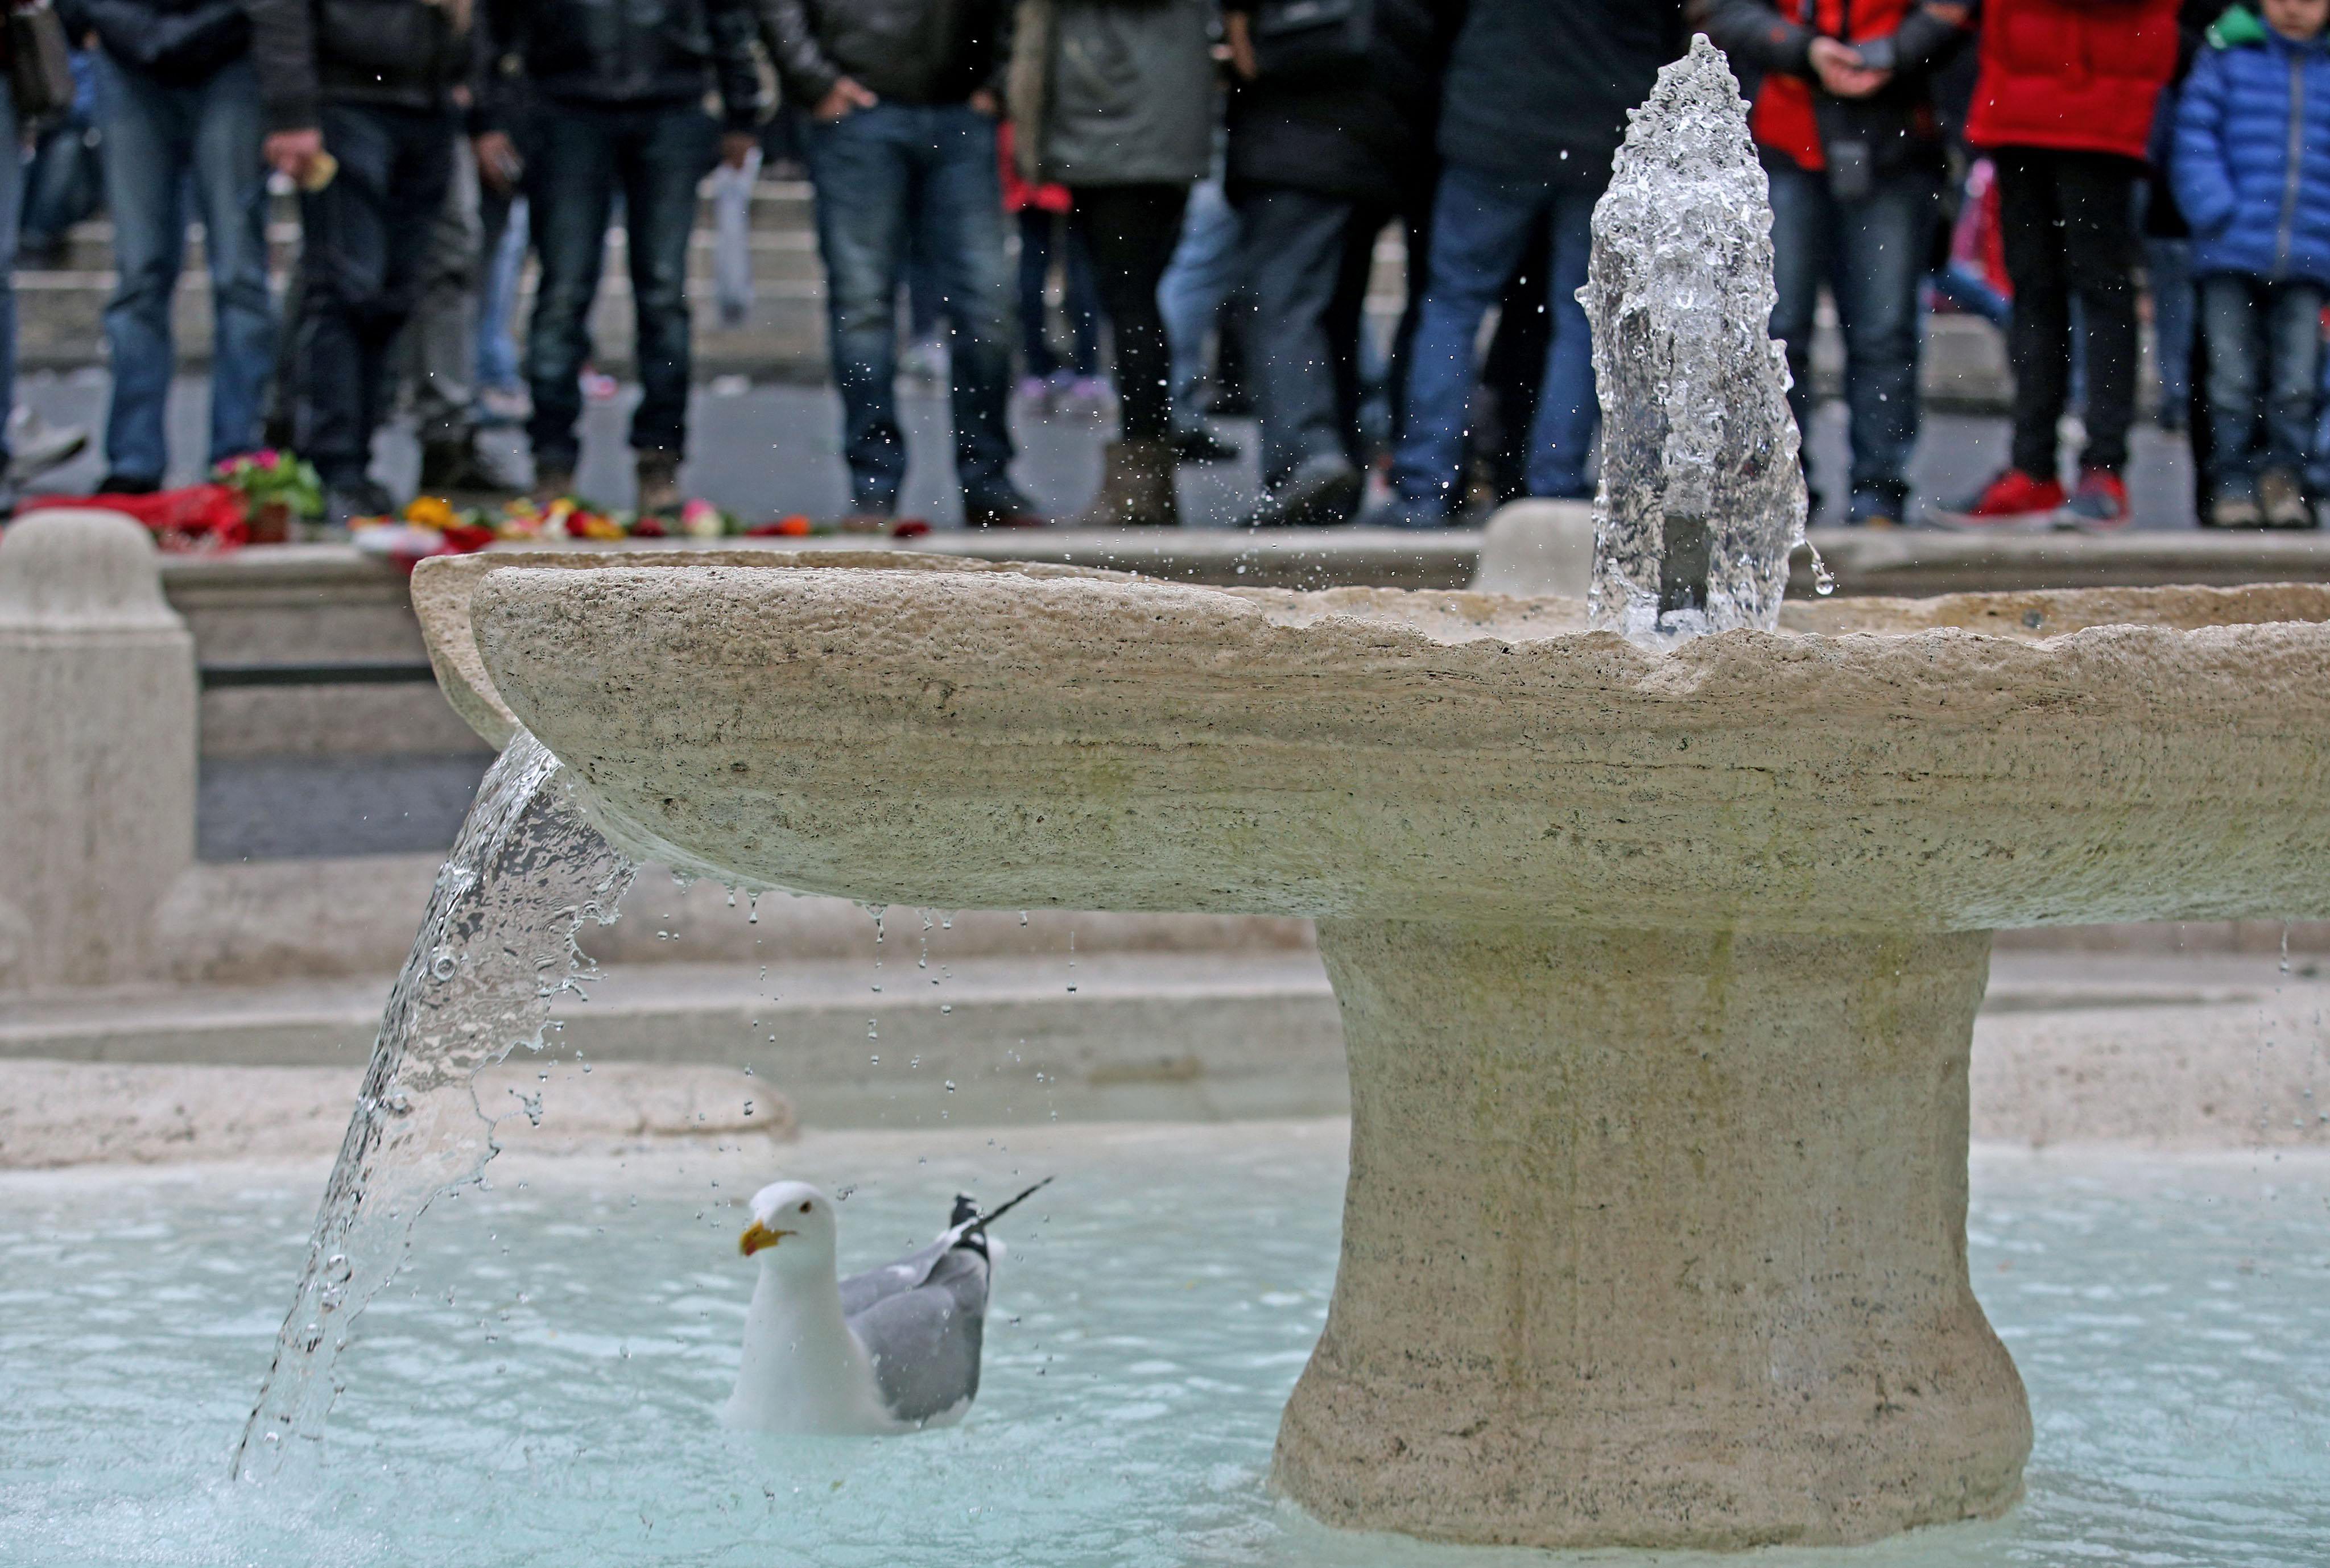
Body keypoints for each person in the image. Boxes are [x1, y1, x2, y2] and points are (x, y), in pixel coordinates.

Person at [1367, 1, 1688, 527]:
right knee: (1581, 317)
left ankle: (1424, 486)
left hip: (1495, 118)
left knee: (1453, 304)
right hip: (1603, 125)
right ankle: (1554, 490)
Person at [760, 0, 1039, 529]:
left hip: (960, 108)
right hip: (861, 108)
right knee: (863, 305)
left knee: (987, 305)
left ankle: (987, 478)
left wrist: (1001, 84)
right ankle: (874, 483)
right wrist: (814, 81)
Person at [476, 0, 759, 514]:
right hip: (566, 102)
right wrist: (491, 115)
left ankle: (658, 457)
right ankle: (554, 459)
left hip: (667, 102)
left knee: (658, 296)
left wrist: (741, 108)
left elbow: (729, 18)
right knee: (568, 292)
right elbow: (494, 27)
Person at [1703, 2, 1972, 529]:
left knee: (1884, 330)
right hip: (1785, 139)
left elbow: (1955, 15)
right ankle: (1773, 481)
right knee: (1777, 329)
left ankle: (1879, 488)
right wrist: (1801, 50)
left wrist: (1893, 54)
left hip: (1893, 140)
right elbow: (1720, 11)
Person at [1934, 0, 2181, 530]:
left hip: (2101, 106)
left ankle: (2103, 470)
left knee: (2102, 290)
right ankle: (2033, 467)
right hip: (2017, 104)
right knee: (2033, 290)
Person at [1222, 0, 1452, 528]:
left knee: (1281, 304)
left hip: (1301, 135)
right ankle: (1332, 475)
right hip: (1385, 134)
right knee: (1333, 313)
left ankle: (1307, 457)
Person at [249, 0, 473, 524]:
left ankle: (353, 462)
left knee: (392, 297)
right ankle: (334, 466)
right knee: (347, 290)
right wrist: (293, 111)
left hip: (426, 102)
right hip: (347, 98)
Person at [1013, 0, 1213, 526]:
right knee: (1137, 299)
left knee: (1130, 303)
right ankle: (1147, 475)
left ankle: (1141, 482)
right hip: (1163, 114)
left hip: (1107, 113)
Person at [73, 0, 272, 497]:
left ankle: (237, 460)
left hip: (233, 56)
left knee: (240, 278)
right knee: (140, 274)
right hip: (126, 58)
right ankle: (133, 458)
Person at [2172, 0, 2330, 527]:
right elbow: (2194, 133)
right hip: (2231, 248)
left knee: (2298, 381)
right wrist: (2215, 209)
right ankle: (2232, 480)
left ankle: (2285, 478)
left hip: (2312, 252)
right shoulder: (2229, 56)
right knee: (2231, 378)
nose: (2293, 7)